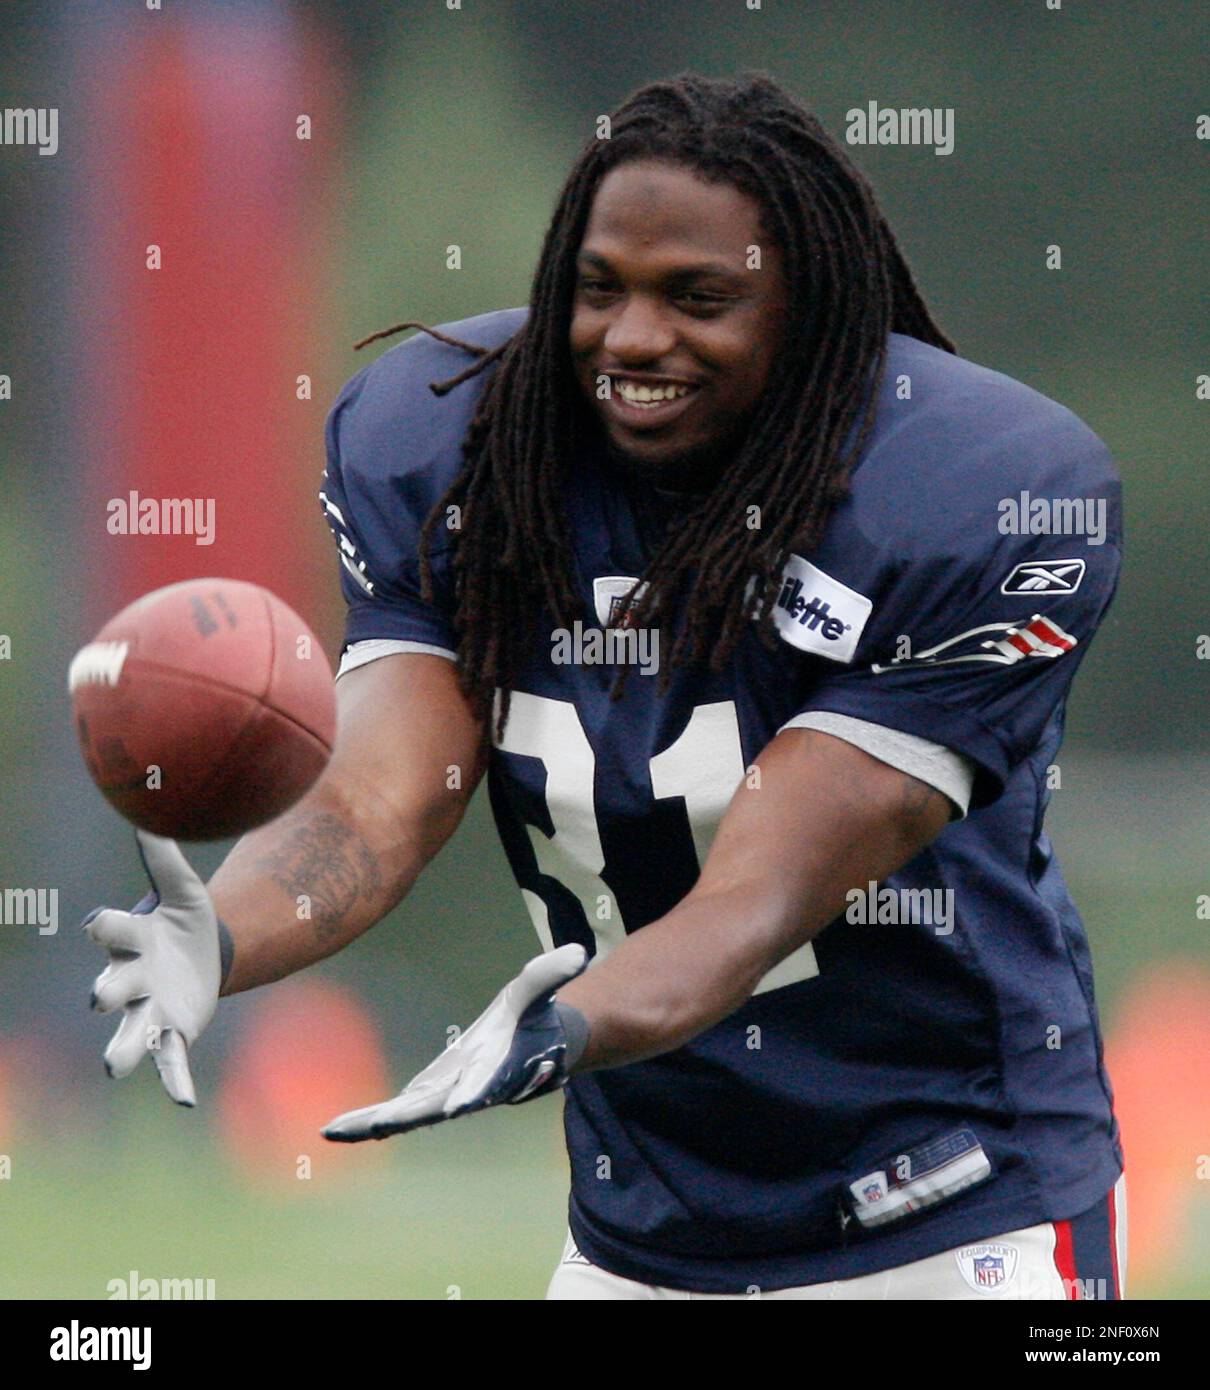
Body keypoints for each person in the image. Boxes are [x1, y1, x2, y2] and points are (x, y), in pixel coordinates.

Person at [85, 72, 1125, 1300]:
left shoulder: (973, 497)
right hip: (643, 1230)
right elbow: (379, 796)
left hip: (945, 1207)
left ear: (813, 317)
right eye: (599, 289)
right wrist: (232, 932)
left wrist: (559, 1027)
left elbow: (753, 898)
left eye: (699, 298)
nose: (633, 337)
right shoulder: (453, 441)